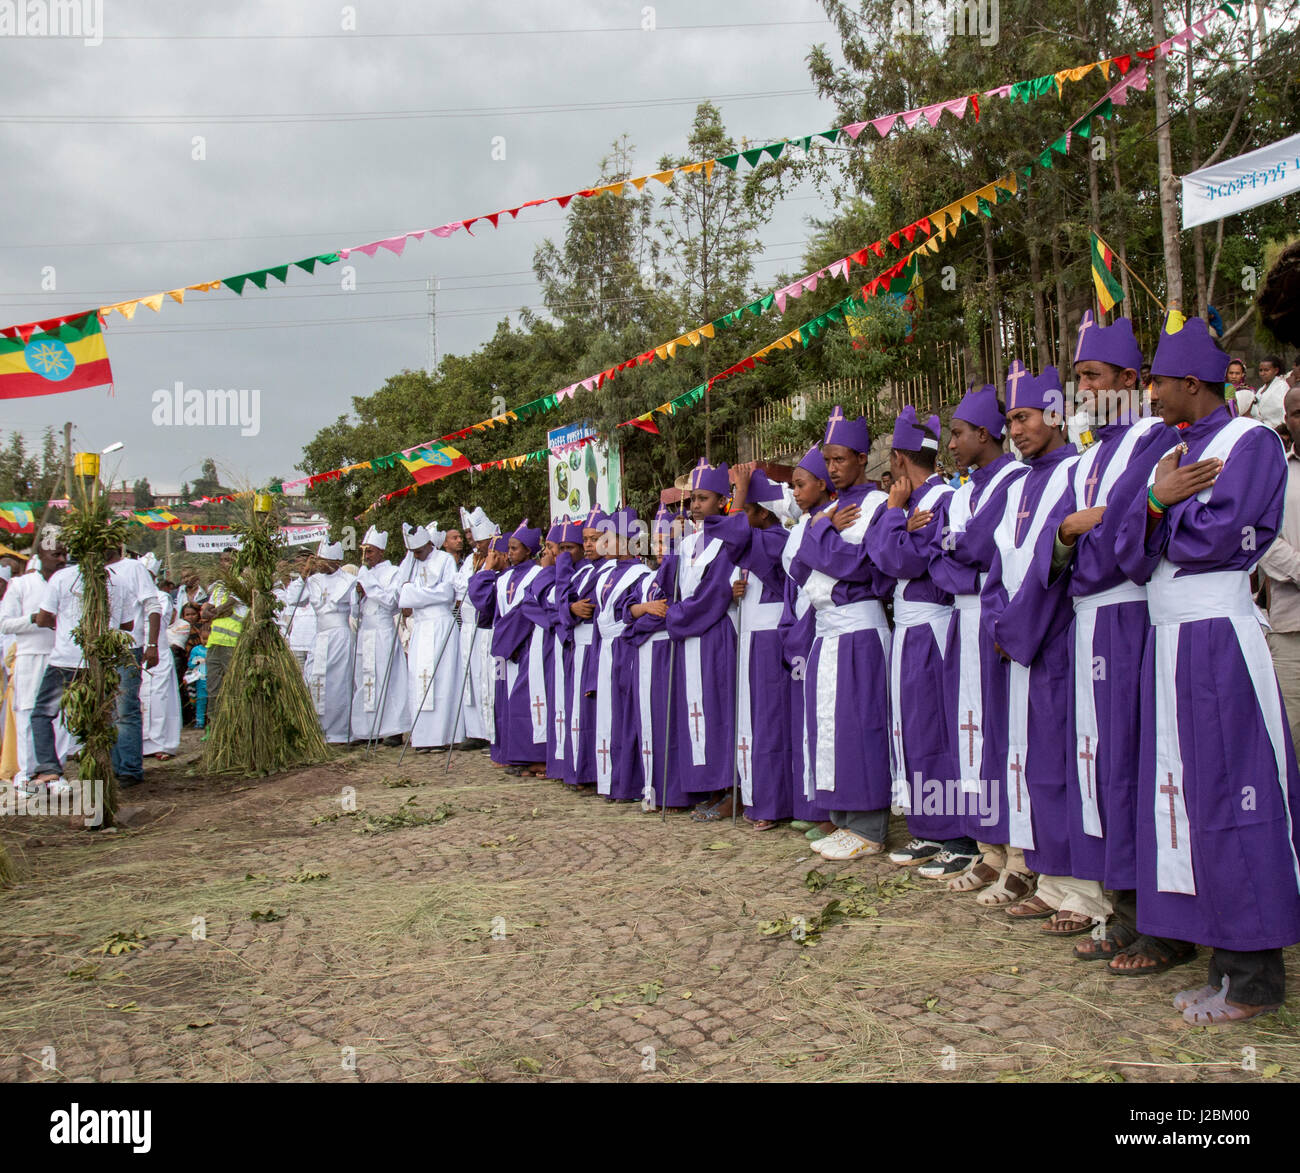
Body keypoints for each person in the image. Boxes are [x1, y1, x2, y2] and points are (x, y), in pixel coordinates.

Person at [1112, 312, 1300, 1023]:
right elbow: (1129, 547)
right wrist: (1159, 501)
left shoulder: (1249, 441)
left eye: (1158, 382)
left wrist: (1161, 517)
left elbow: (1229, 533)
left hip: (1218, 638)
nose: (1150, 394)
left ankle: (1254, 977)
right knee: (1190, 800)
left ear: (1192, 383)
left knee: (1235, 794)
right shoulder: (1172, 453)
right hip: (1170, 641)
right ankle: (1223, 959)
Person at [1044, 313, 1178, 956]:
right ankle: (1117, 904)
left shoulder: (1155, 438)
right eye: (1078, 378)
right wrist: (1073, 531)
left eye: (1093, 376)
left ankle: (1152, 917)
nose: (1084, 389)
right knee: (1098, 766)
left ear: (1131, 378)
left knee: (1132, 762)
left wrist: (1082, 532)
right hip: (1088, 618)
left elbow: (1128, 525)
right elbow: (1066, 532)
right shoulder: (1086, 454)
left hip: (1130, 615)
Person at [981, 361, 1081, 924]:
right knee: (1025, 757)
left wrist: (1017, 630)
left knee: (1060, 756)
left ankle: (1073, 876)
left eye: (1024, 418)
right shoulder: (1020, 482)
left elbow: (1062, 566)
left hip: (1056, 637)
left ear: (1056, 412)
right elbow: (999, 567)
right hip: (1017, 641)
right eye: (1010, 420)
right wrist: (1000, 627)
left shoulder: (1076, 473)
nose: (1015, 430)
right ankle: (1043, 867)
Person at [865, 406, 981, 872]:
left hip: (932, 624)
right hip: (910, 625)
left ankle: (958, 835)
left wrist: (893, 517)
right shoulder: (913, 502)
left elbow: (904, 562)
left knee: (937, 729)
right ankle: (930, 830)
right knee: (914, 730)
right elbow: (881, 555)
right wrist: (895, 523)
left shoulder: (939, 500)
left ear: (896, 458)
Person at [924, 384, 1028, 891]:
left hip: (993, 615)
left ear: (985, 434)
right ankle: (986, 844)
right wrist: (955, 551)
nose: (951, 445)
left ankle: (1019, 850)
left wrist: (953, 547)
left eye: (959, 433)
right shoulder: (964, 489)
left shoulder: (1014, 478)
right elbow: (936, 555)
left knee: (1000, 731)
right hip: (961, 619)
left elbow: (980, 545)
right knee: (970, 732)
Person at [793, 409, 894, 860]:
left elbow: (858, 566)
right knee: (831, 729)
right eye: (827, 460)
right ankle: (844, 819)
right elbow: (799, 566)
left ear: (860, 458)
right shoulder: (828, 510)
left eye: (840, 459)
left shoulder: (875, 504)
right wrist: (821, 531)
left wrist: (820, 537)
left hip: (858, 628)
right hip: (827, 630)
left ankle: (870, 826)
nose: (832, 468)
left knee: (861, 724)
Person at [650, 462, 738, 819]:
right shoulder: (685, 545)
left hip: (714, 634)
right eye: (692, 499)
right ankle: (705, 786)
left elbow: (715, 594)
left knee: (719, 711)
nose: (695, 506)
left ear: (722, 501)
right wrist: (667, 608)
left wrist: (674, 617)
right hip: (688, 637)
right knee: (694, 714)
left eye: (703, 498)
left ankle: (729, 789)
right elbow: (665, 586)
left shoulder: (730, 541)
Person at [716, 467, 796, 830]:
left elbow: (732, 538)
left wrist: (741, 489)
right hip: (750, 638)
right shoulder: (758, 539)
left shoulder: (774, 539)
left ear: (763, 513)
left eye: (744, 508)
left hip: (768, 638)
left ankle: (772, 802)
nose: (739, 515)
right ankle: (755, 795)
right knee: (753, 723)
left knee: (770, 723)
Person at [29, 555, 134, 787]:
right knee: (101, 720)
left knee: (42, 714)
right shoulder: (119, 581)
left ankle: (48, 768)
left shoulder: (63, 577)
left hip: (66, 661)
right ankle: (102, 774)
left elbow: (45, 617)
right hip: (103, 661)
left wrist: (49, 620)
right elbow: (128, 625)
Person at [780, 447, 836, 839]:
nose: (795, 493)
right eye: (791, 486)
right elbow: (792, 578)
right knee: (809, 721)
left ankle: (830, 812)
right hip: (801, 623)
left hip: (825, 622)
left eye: (800, 485)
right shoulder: (799, 526)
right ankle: (810, 802)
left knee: (829, 721)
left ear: (822, 483)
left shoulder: (833, 517)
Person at [469, 521, 548, 775]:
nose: (510, 553)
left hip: (527, 645)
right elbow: (485, 603)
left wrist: (509, 641)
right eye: (509, 548)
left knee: (528, 702)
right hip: (506, 649)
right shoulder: (503, 579)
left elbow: (528, 610)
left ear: (528, 550)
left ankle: (531, 756)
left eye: (515, 548)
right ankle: (509, 752)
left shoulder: (537, 575)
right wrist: (486, 570)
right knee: (504, 702)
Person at [588, 507, 653, 801]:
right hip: (605, 649)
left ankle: (628, 782)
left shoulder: (641, 574)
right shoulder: (605, 574)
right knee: (608, 717)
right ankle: (610, 779)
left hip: (624, 647)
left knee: (627, 716)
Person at [0, 528, 68, 790]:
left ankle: (54, 774)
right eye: (56, 554)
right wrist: (34, 620)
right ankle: (27, 774)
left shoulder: (68, 581)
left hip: (61, 657)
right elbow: (4, 624)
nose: (61, 559)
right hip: (30, 657)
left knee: (61, 715)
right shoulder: (21, 584)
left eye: (64, 554)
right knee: (27, 713)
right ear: (42, 555)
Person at [520, 520, 584, 783]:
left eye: (553, 547)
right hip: (552, 638)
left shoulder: (575, 572)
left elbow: (553, 601)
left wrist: (560, 611)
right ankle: (556, 760)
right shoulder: (553, 569)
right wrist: (557, 613)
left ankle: (565, 763)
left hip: (568, 641)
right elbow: (533, 602)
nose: (550, 553)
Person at [1260, 383, 1300, 755]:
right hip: (1291, 630)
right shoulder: (1277, 473)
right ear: (1286, 420)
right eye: (1298, 413)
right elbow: (1263, 538)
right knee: (1292, 738)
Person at [397, 522, 460, 753]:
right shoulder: (411, 562)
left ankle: (442, 736)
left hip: (441, 624)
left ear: (428, 545)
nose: (418, 556)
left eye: (420, 551)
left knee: (442, 680)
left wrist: (414, 594)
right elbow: (401, 592)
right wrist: (413, 594)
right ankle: (422, 736)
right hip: (421, 627)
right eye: (413, 553)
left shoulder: (445, 560)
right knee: (419, 680)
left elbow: (447, 592)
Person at [106, 548, 164, 785]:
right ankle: (112, 766)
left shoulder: (133, 568)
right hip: (100, 649)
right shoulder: (92, 571)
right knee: (105, 710)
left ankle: (130, 768)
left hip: (128, 647)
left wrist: (152, 644)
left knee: (125, 707)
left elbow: (153, 606)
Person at [352, 527, 411, 747]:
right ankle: (369, 729)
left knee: (388, 679)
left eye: (370, 551)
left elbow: (391, 602)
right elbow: (355, 611)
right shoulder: (364, 574)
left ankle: (393, 730)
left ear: (381, 551)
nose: (366, 556)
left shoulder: (393, 572)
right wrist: (357, 594)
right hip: (365, 632)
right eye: (364, 551)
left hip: (383, 631)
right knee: (365, 680)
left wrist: (368, 584)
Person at [303, 539, 355, 745]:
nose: (320, 564)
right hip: (319, 636)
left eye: (324, 560)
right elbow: (295, 599)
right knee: (314, 680)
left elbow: (356, 609)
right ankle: (318, 729)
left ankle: (339, 732)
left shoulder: (348, 581)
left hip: (339, 637)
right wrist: (303, 576)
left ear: (336, 561)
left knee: (337, 684)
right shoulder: (313, 580)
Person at [452, 507, 496, 749]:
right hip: (468, 628)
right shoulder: (470, 559)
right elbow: (459, 584)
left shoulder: (496, 557)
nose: (477, 546)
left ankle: (491, 730)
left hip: (486, 627)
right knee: (470, 677)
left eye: (481, 542)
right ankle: (475, 729)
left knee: (487, 677)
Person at [137, 553, 182, 760]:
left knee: (159, 698)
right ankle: (141, 743)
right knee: (139, 697)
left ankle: (162, 743)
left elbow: (157, 618)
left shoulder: (161, 597)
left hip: (158, 652)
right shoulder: (133, 595)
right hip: (138, 651)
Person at [201, 549, 247, 728]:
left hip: (233, 643)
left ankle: (235, 725)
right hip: (214, 642)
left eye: (228, 560)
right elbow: (206, 611)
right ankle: (214, 726)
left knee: (234, 686)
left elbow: (226, 608)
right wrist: (211, 612)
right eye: (222, 560)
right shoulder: (219, 586)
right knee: (212, 687)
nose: (224, 563)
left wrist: (213, 613)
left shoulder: (241, 583)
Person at [1254, 355, 1289, 430]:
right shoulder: (1260, 390)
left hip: (1278, 428)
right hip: (1262, 427)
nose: (1263, 373)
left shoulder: (1281, 386)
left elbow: (1284, 408)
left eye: (1266, 370)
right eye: (1261, 370)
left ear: (1276, 370)